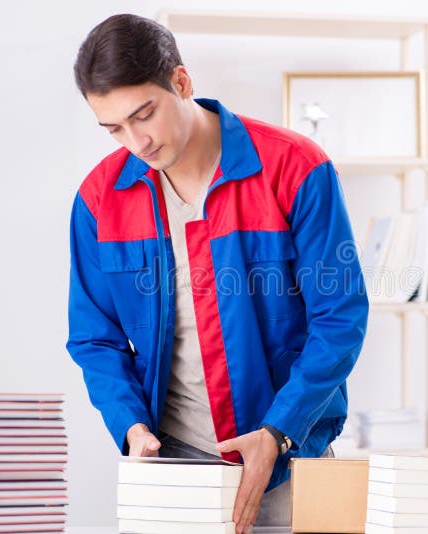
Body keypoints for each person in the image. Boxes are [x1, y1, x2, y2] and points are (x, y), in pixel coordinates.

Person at [66, 13, 368, 532]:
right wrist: (132, 427)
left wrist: (279, 431)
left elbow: (339, 320)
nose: (135, 141)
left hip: (290, 461)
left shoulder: (295, 168)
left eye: (145, 114)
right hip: (172, 468)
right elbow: (96, 337)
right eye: (114, 128)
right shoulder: (98, 201)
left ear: (181, 82)